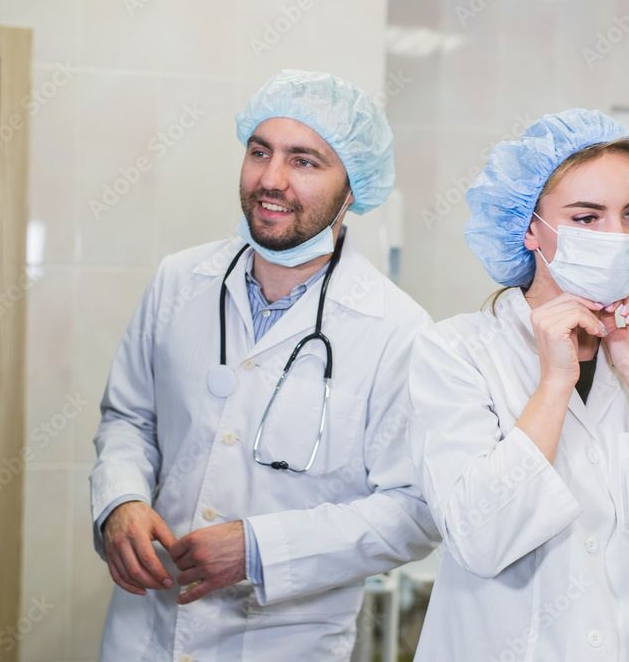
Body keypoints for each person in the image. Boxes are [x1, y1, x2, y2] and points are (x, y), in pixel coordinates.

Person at [89, 69, 439, 661]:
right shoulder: (180, 278)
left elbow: (413, 512)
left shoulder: (399, 331)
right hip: (143, 632)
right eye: (259, 152)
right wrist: (119, 502)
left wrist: (258, 550)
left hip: (284, 642)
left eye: (303, 161)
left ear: (353, 187)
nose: (270, 180)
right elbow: (128, 417)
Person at [407, 109, 629, 660]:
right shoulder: (457, 352)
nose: (617, 237)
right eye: (588, 218)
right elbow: (481, 540)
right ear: (528, 227)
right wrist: (554, 382)